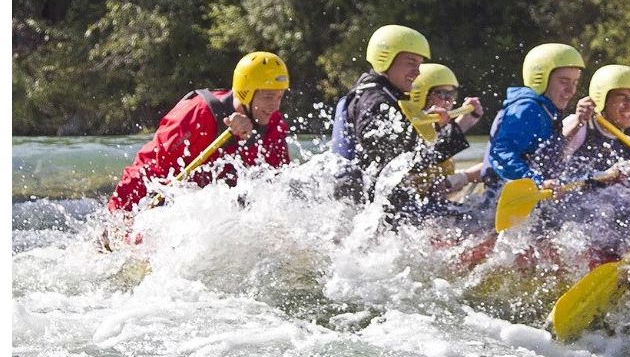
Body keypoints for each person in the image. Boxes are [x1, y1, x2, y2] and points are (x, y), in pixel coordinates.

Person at [107, 51, 291, 213]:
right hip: (173, 206)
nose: (275, 105)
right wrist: (118, 215)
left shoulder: (273, 125)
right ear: (246, 92)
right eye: (268, 96)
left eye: (279, 97)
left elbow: (277, 183)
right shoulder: (197, 115)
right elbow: (150, 168)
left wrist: (250, 139)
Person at [330, 25, 470, 222]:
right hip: (365, 207)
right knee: (468, 220)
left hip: (379, 203)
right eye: (411, 62)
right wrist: (431, 127)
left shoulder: (386, 96)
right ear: (385, 58)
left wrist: (452, 128)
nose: (417, 72)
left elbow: (413, 159)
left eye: (420, 64)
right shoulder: (373, 99)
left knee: (464, 215)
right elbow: (383, 146)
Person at [483, 43, 590, 195]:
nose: (571, 90)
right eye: (564, 82)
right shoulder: (527, 109)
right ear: (541, 78)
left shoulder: (548, 110)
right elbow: (501, 152)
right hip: (501, 198)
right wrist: (536, 181)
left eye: (575, 82)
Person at [398, 62, 485, 199]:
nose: (448, 102)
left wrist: (467, 119)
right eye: (442, 94)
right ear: (421, 95)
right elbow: (422, 172)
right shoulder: (404, 134)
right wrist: (466, 177)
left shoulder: (434, 135)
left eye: (451, 95)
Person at [560, 64, 630, 181]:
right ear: (603, 99)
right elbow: (551, 155)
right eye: (623, 97)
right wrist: (577, 123)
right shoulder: (580, 126)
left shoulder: (629, 148)